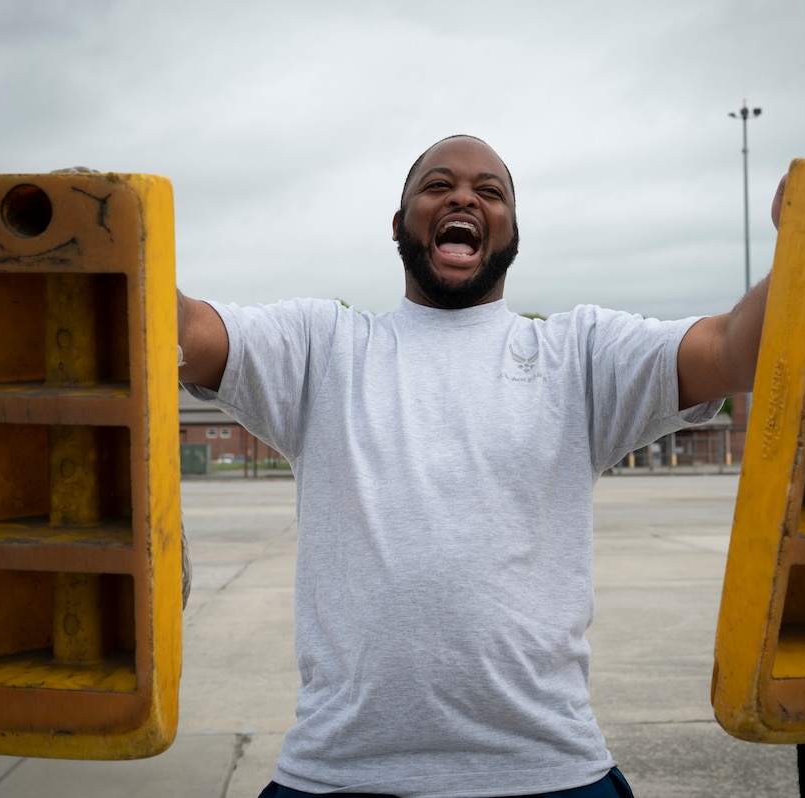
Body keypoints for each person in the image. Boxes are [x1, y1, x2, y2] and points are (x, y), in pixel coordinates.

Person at [177, 135, 773, 798]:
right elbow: (185, 332)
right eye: (437, 185)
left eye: (490, 192)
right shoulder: (324, 348)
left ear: (512, 231)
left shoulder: (578, 355)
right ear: (400, 224)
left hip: (550, 771)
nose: (464, 196)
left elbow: (735, 349)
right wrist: (104, 237)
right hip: (338, 774)